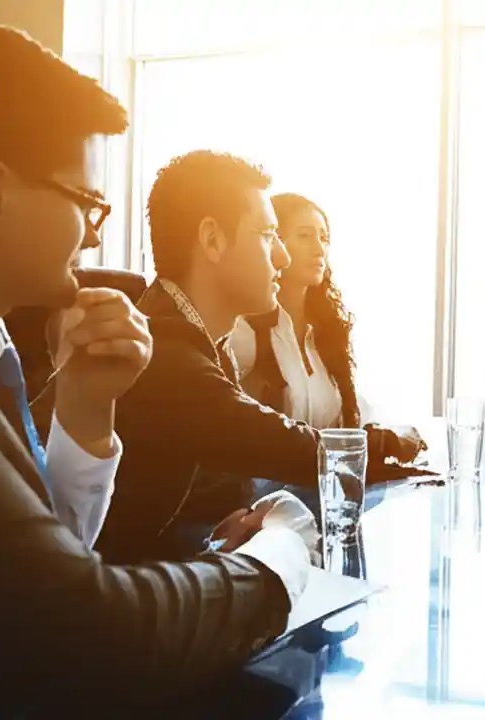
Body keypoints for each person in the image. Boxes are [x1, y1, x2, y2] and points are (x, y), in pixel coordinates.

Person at [0, 24, 310, 713]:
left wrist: (87, 412)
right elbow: (79, 632)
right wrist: (275, 563)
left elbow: (30, 567)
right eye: (86, 204)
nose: (95, 235)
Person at [97, 151, 338, 563]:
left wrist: (226, 519)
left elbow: (219, 476)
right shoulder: (163, 347)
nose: (281, 257)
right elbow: (286, 447)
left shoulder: (200, 336)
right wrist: (382, 445)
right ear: (212, 239)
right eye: (268, 235)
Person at [229, 192, 425, 497]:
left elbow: (355, 415)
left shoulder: (324, 335)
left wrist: (394, 436)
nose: (319, 248)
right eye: (305, 235)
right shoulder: (246, 332)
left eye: (324, 237)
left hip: (322, 499)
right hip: (264, 506)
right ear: (274, 244)